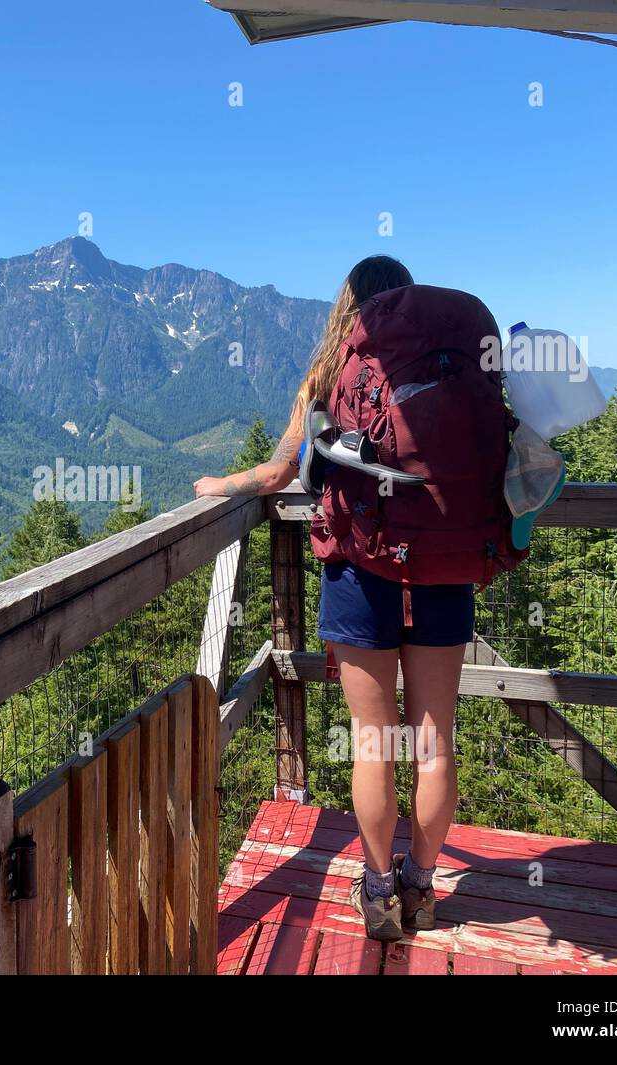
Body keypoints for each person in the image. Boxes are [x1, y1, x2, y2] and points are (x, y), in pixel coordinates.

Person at [193, 254, 465, 941]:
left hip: (360, 570)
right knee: (434, 743)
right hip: (441, 567)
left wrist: (218, 486)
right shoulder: (447, 363)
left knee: (374, 743)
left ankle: (377, 898)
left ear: (350, 304)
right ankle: (422, 891)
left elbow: (280, 470)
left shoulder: (331, 371)